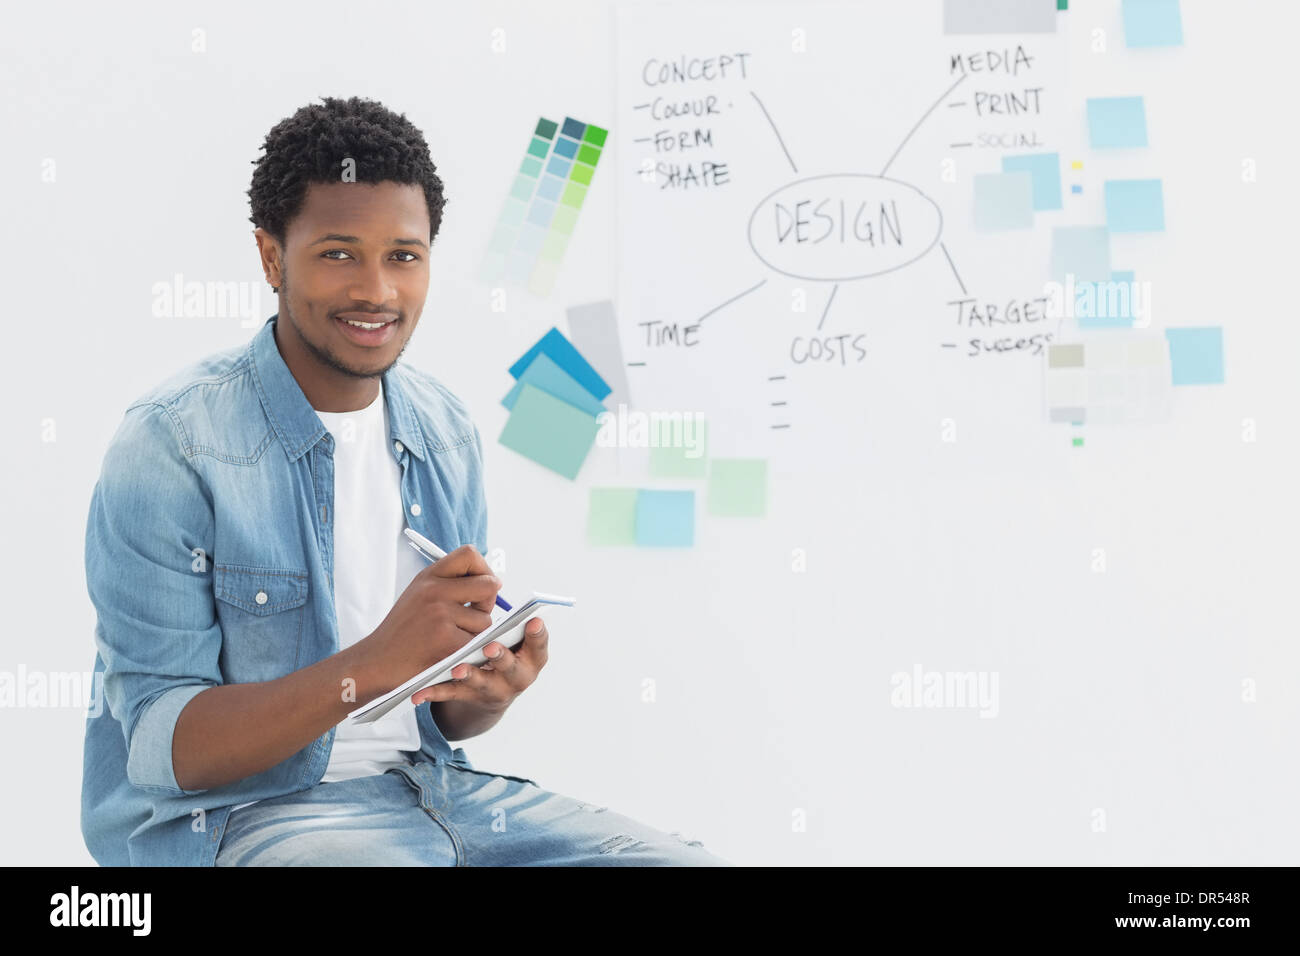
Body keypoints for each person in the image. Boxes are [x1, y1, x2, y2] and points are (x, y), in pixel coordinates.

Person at [80, 95, 730, 867]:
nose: (377, 292)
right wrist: (376, 659)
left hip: (432, 794)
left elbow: (432, 718)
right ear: (270, 257)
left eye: (404, 256)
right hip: (249, 817)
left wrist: (481, 694)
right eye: (338, 253)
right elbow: (161, 749)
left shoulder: (443, 431)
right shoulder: (173, 442)